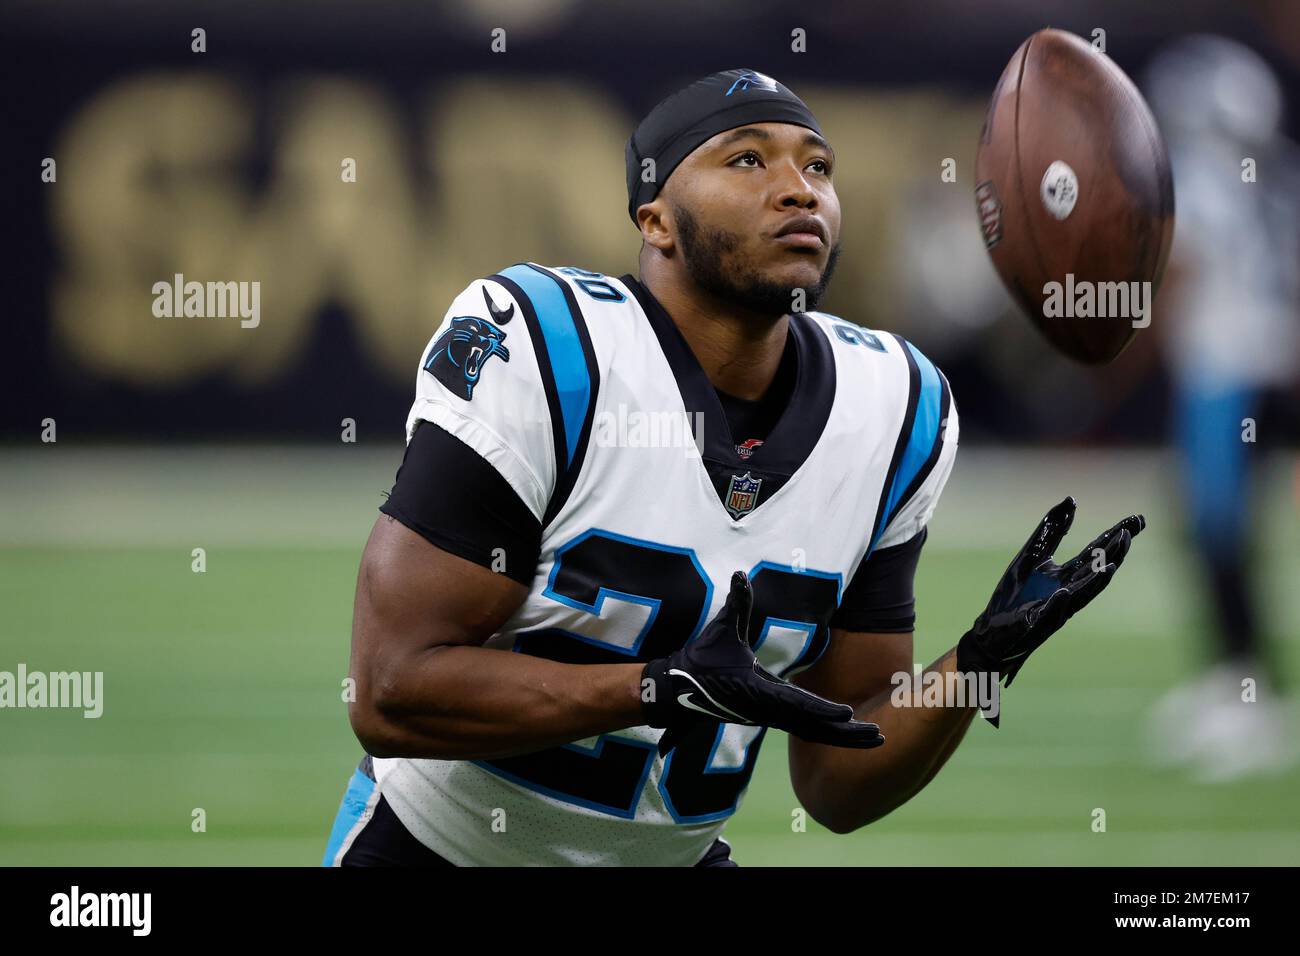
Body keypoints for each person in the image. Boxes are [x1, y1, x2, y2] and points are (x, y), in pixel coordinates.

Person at [324, 68, 1142, 866]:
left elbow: (837, 778)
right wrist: (655, 688)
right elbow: (393, 689)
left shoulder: (895, 405)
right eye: (747, 159)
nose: (799, 188)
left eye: (818, 165)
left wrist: (973, 668)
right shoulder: (549, 350)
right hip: (438, 850)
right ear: (656, 221)